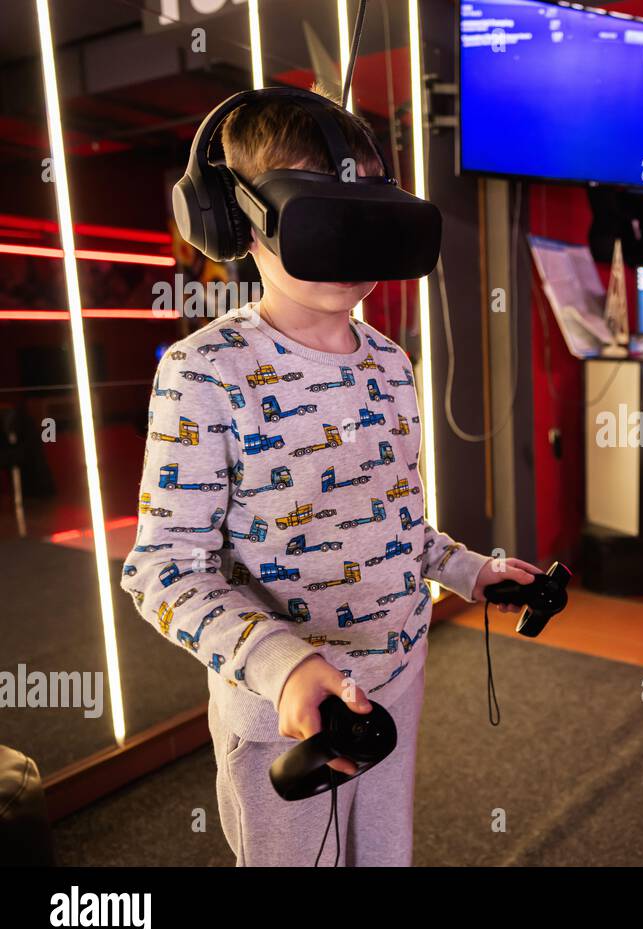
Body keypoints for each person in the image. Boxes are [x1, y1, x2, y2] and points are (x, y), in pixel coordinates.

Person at [122, 88, 539, 866]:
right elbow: (163, 571)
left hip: (396, 677)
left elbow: (395, 526)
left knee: (382, 857)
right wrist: (287, 668)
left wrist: (471, 572)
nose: (350, 245)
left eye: (367, 213)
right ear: (232, 223)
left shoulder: (390, 360)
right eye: (318, 216)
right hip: (281, 708)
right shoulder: (205, 371)